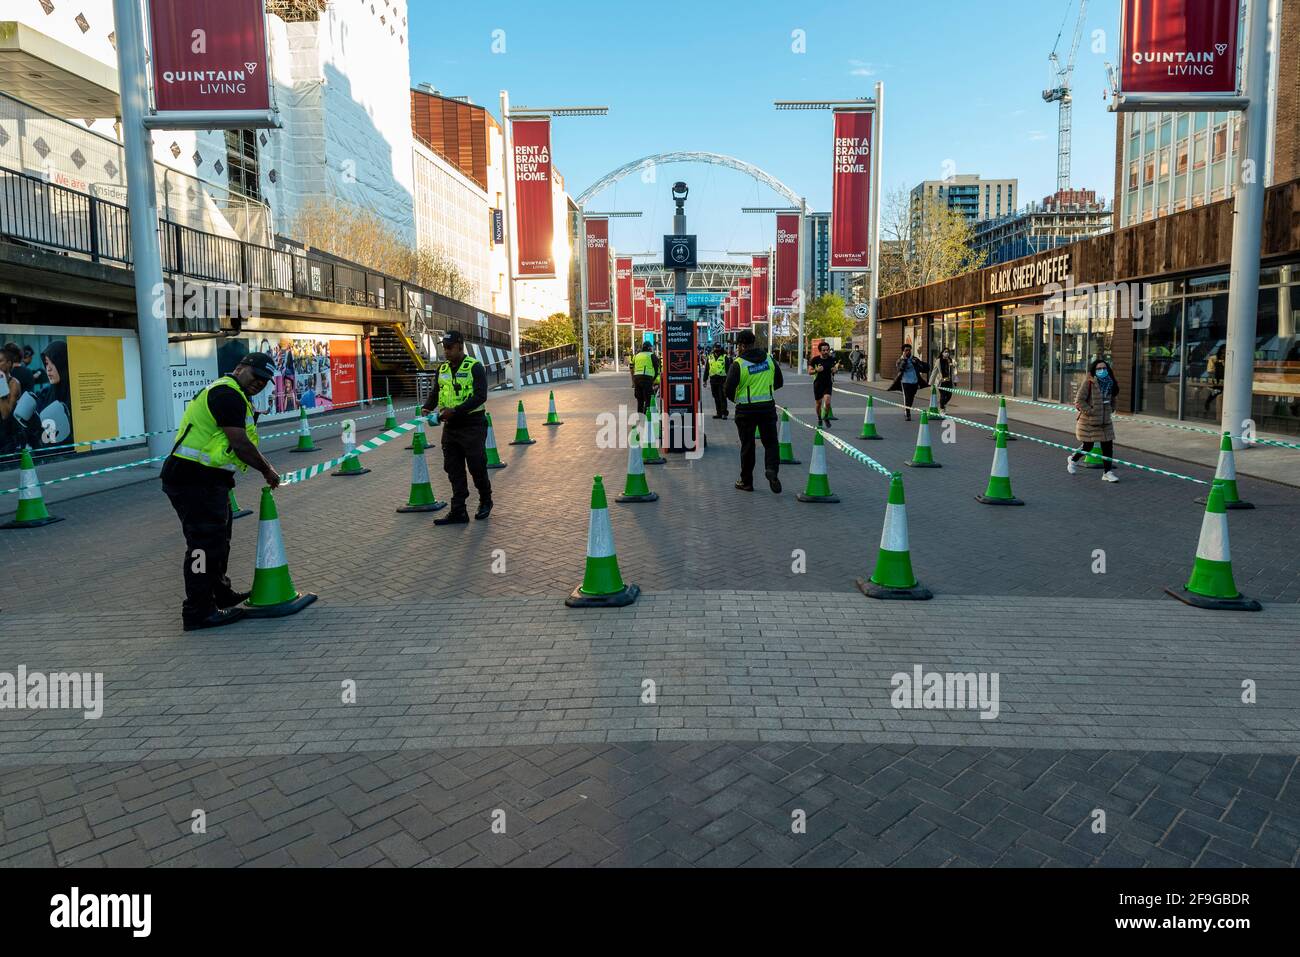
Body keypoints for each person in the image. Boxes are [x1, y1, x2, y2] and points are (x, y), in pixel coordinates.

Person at [161, 353, 281, 632]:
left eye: (265, 381)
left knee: (218, 540)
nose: (259, 384)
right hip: (192, 480)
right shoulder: (227, 394)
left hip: (209, 480)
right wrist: (267, 470)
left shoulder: (235, 393)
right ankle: (198, 611)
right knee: (202, 546)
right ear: (239, 368)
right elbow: (238, 442)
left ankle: (220, 593)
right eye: (256, 376)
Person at [422, 330, 492, 524]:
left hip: (472, 425)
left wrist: (457, 410)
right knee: (453, 469)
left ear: (460, 346)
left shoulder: (474, 367)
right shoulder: (442, 369)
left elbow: (480, 396)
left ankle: (486, 500)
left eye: (450, 348)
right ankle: (459, 510)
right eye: (444, 348)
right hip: (451, 428)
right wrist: (427, 407)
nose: (446, 352)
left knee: (477, 466)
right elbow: (436, 392)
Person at [724, 329, 784, 494]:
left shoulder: (738, 364)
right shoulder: (769, 360)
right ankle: (771, 470)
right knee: (771, 443)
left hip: (746, 411)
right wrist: (767, 390)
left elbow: (728, 389)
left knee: (748, 446)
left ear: (742, 345)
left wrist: (737, 399)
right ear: (753, 342)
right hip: (767, 408)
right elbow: (779, 382)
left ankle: (746, 482)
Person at [1067, 358, 1120, 483]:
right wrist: (1091, 411)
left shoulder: (1110, 382)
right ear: (1094, 370)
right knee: (1088, 446)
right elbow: (1079, 401)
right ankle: (1073, 459)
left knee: (1108, 446)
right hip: (1089, 421)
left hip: (1105, 421)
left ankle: (1107, 473)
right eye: (1099, 369)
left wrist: (1112, 408)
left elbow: (1113, 398)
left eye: (1104, 368)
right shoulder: (1089, 383)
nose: (1102, 370)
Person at [0, 342, 37, 453]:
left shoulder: (14, 383)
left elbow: (5, 414)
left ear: (9, 363)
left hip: (8, 438)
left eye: (0, 361)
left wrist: (0, 384)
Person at [887, 342, 930, 420]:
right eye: (906, 350)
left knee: (911, 397)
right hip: (905, 382)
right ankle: (907, 413)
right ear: (903, 352)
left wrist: (917, 363)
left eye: (909, 350)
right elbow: (900, 368)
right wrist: (905, 360)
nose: (908, 352)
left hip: (915, 381)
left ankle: (908, 409)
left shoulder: (914, 359)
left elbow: (924, 368)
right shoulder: (900, 360)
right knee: (907, 397)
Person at [809, 340, 837, 429]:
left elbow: (834, 369)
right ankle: (819, 418)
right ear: (820, 351)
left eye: (827, 350)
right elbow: (809, 372)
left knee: (828, 402)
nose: (826, 352)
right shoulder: (815, 359)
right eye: (824, 350)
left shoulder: (831, 359)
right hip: (818, 384)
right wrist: (817, 370)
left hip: (828, 383)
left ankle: (825, 417)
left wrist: (835, 370)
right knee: (818, 404)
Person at [631, 340, 659, 414]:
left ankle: (640, 417)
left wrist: (633, 381)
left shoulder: (636, 356)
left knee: (639, 399)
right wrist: (653, 380)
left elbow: (631, 368)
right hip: (647, 378)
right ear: (650, 348)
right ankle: (646, 416)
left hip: (637, 378)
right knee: (648, 398)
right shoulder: (652, 355)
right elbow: (657, 369)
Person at [707, 343, 731, 419]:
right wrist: (704, 380)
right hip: (713, 380)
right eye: (716, 349)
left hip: (722, 380)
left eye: (718, 349)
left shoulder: (725, 357)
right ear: (713, 349)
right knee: (716, 397)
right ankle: (719, 413)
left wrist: (729, 380)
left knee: (722, 397)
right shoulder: (710, 357)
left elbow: (728, 369)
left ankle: (724, 413)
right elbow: (707, 369)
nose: (717, 351)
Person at [936, 347, 956, 414]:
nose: (947, 353)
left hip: (949, 381)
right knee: (943, 395)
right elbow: (934, 371)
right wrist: (931, 382)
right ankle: (942, 409)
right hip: (942, 381)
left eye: (947, 352)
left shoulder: (950, 360)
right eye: (945, 352)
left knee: (949, 395)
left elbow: (953, 370)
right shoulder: (939, 360)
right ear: (942, 353)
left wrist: (954, 365)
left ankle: (942, 405)